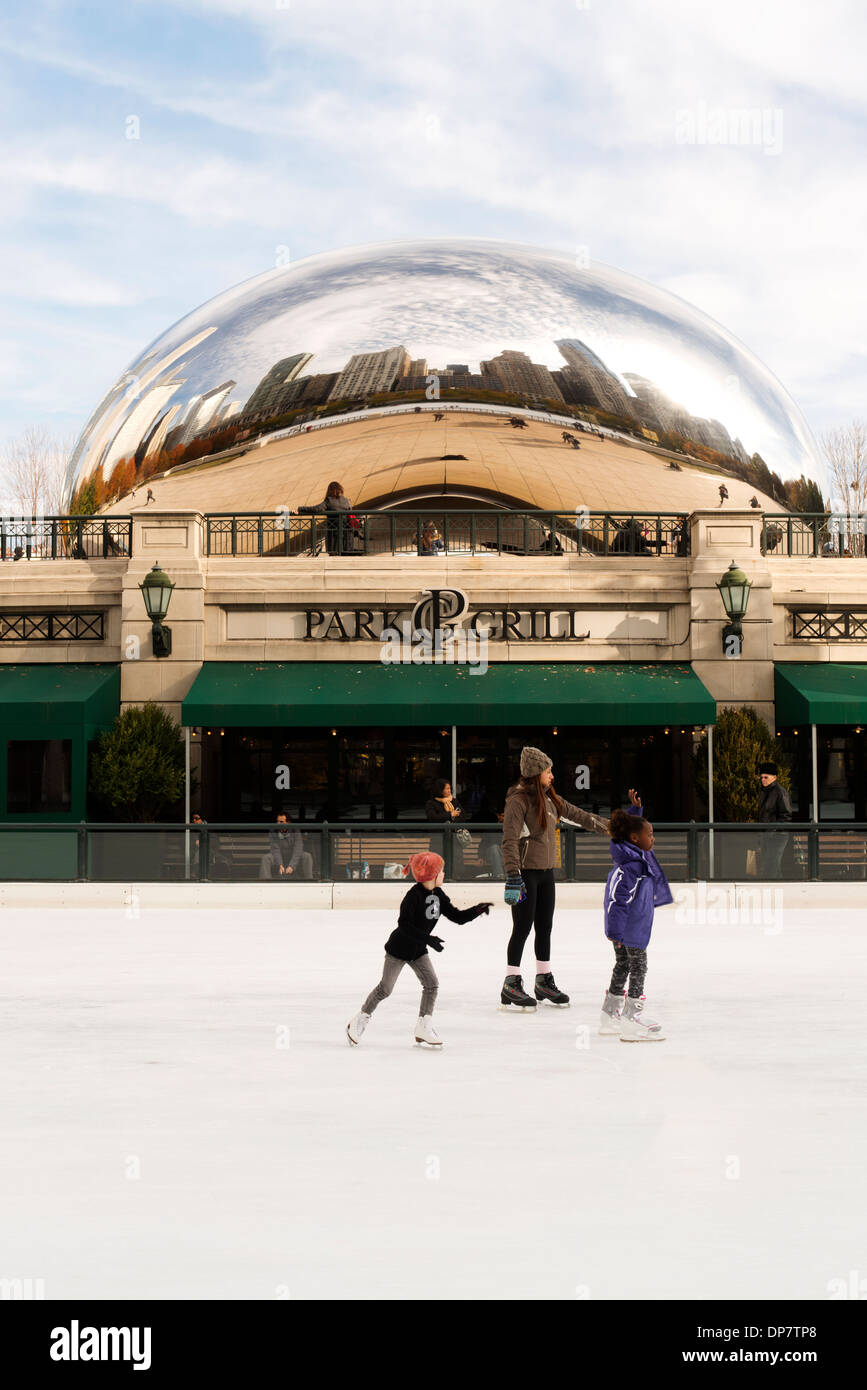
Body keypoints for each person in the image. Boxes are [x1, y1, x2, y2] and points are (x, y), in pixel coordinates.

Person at [345, 851, 492, 1048]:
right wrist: (428, 939)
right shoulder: (413, 895)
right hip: (398, 949)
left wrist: (477, 910)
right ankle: (359, 1020)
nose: (444, 873)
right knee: (385, 989)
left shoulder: (439, 895)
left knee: (431, 984)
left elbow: (456, 917)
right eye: (441, 871)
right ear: (431, 874)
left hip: (418, 951)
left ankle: (424, 1025)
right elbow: (404, 925)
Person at [500, 746, 609, 1009]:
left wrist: (615, 827)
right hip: (525, 874)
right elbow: (509, 840)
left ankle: (543, 979)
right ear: (537, 773)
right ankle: (510, 982)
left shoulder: (550, 799)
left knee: (545, 927)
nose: (552, 776)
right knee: (522, 928)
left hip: (546, 873)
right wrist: (513, 875)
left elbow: (581, 816)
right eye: (549, 771)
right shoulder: (518, 800)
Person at [599, 792, 672, 1041]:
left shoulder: (633, 855)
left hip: (626, 927)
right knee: (639, 967)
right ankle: (631, 1019)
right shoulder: (633, 867)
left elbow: (631, 831)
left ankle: (609, 1016)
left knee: (623, 965)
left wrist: (635, 811)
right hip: (630, 928)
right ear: (634, 839)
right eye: (649, 835)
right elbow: (618, 901)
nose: (653, 839)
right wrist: (617, 932)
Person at [293, 481, 355, 555]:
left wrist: (300, 509)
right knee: (346, 554)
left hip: (333, 532)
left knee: (333, 554)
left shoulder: (329, 500)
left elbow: (316, 509)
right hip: (347, 531)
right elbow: (350, 513)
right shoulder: (346, 500)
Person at [757, 762, 792, 878]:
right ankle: (777, 890)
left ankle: (774, 889)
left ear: (774, 777)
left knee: (771, 864)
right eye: (761, 777)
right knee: (772, 866)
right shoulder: (764, 791)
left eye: (766, 777)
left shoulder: (780, 792)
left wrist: (773, 830)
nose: (763, 780)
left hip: (778, 835)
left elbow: (786, 816)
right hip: (768, 834)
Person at [260, 812, 313, 880]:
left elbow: (298, 849)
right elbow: (275, 849)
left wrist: (292, 866)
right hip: (279, 857)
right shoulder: (273, 831)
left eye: (281, 822)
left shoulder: (295, 830)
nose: (278, 824)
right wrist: (280, 865)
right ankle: (266, 883)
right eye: (277, 821)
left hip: (292, 857)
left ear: (288, 823)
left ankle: (309, 881)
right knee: (266, 858)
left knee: (307, 856)